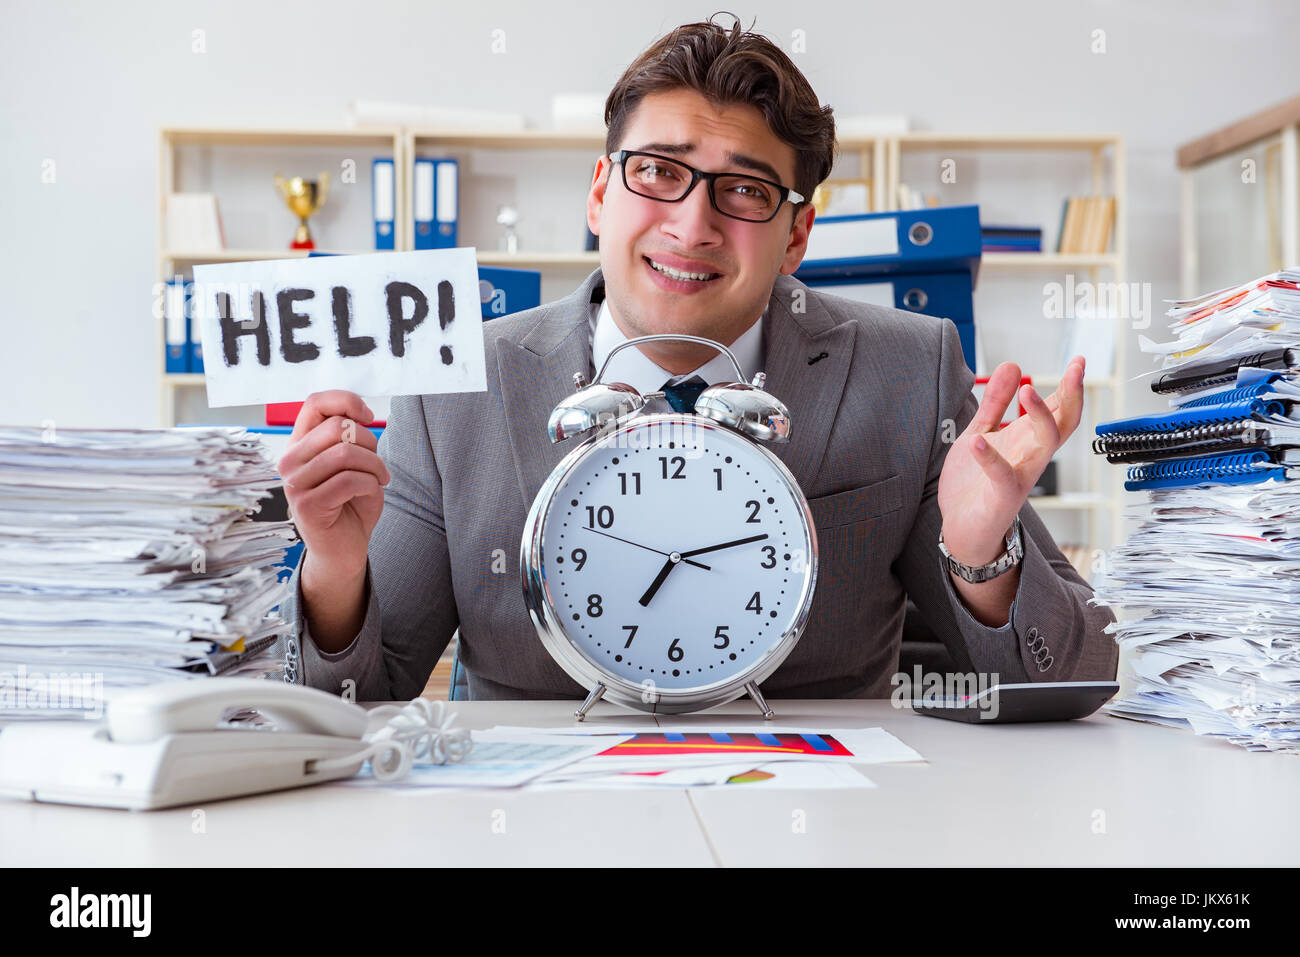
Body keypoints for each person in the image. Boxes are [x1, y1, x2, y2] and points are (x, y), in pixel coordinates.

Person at [277, 14, 1117, 701]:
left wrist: (981, 554)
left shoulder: (907, 371)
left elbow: (1074, 676)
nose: (692, 224)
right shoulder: (456, 384)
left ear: (796, 234)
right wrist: (335, 573)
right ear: (602, 194)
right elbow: (361, 694)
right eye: (657, 173)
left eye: (745, 190)